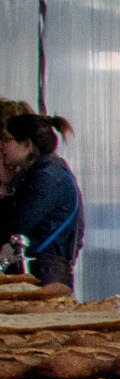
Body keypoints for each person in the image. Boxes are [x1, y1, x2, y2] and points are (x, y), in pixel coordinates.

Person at [0, 112, 82, 288]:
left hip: (45, 272)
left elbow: (17, 223)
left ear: (26, 144)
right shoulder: (37, 173)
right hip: (44, 268)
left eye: (7, 140)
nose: (2, 147)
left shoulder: (47, 178)